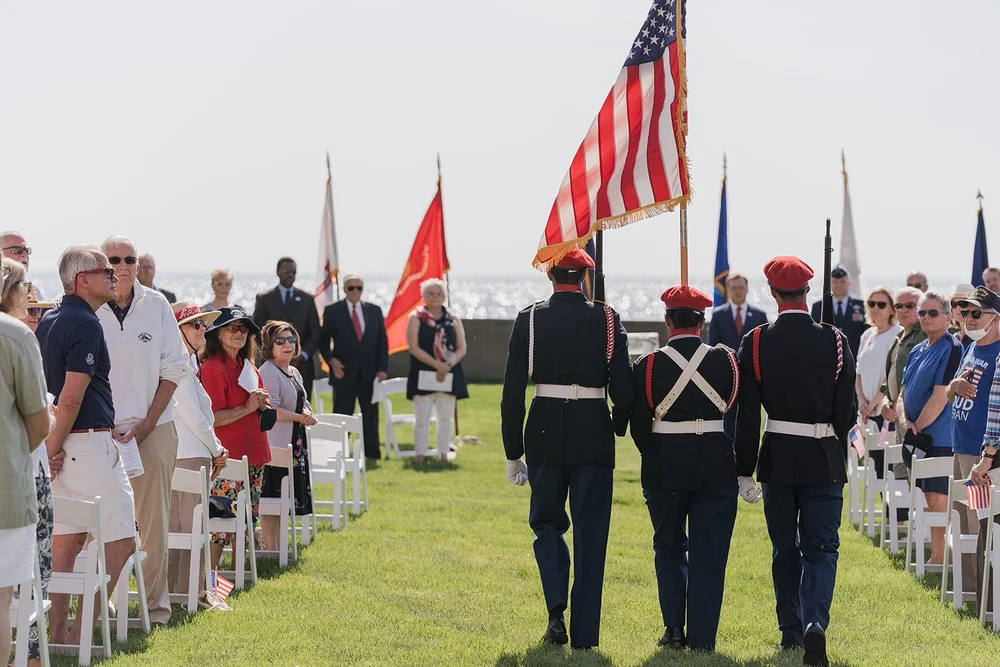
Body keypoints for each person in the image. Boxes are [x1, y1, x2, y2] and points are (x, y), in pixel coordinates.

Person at [500, 249, 632, 651]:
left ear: (550, 275)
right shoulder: (607, 318)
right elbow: (623, 387)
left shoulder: (530, 318)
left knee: (547, 524)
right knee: (591, 533)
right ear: (585, 277)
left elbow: (512, 393)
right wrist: (617, 425)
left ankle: (556, 614)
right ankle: (585, 636)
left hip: (544, 427)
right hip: (593, 428)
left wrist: (512, 452)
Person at [735, 256, 857, 667]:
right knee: (821, 548)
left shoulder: (755, 341)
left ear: (772, 293)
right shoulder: (835, 340)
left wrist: (744, 469)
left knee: (784, 549)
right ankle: (815, 622)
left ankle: (790, 629)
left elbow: (748, 415)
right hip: (823, 458)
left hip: (778, 458)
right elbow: (846, 413)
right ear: (807, 291)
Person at [629, 285, 745, 652]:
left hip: (664, 464)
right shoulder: (726, 361)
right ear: (702, 321)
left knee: (668, 549)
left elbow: (639, 425)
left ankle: (675, 630)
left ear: (667, 321)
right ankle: (703, 640)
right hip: (716, 463)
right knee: (710, 555)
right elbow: (735, 410)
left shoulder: (647, 365)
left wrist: (655, 453)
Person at [36, 245, 137, 646]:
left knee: (67, 541)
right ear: (83, 280)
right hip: (84, 445)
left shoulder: (48, 319)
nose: (115, 275)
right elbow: (71, 398)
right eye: (106, 271)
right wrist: (52, 449)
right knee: (123, 541)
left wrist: (49, 446)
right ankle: (80, 632)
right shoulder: (86, 324)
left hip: (61, 443)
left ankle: (58, 635)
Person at [96, 235, 189, 626]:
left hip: (155, 428)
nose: (121, 266)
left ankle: (156, 609)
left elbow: (175, 368)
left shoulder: (158, 305)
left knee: (154, 524)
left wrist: (147, 423)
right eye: (113, 259)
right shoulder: (89, 307)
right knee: (98, 523)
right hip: (99, 433)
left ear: (138, 265)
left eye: (129, 259)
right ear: (100, 266)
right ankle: (100, 606)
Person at [0, 258, 52, 666]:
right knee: (0, 600)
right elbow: (39, 420)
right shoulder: (16, 335)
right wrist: (16, 453)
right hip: (6, 489)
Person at [167, 304, 229, 609]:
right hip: (190, 454)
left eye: (203, 325)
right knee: (190, 528)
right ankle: (194, 594)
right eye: (195, 325)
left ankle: (180, 593)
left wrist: (214, 448)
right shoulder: (180, 365)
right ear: (178, 330)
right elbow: (195, 417)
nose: (202, 330)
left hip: (186, 453)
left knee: (181, 528)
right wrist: (217, 449)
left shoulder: (186, 364)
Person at [199, 307, 271, 567]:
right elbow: (212, 418)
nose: (239, 333)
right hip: (228, 457)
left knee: (247, 520)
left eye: (243, 329)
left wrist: (263, 404)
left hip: (255, 453)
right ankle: (210, 575)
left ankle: (238, 575)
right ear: (218, 334)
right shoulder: (212, 368)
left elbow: (257, 405)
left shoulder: (248, 366)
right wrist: (248, 408)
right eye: (232, 327)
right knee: (221, 521)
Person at [895, 290, 962, 567]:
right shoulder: (917, 349)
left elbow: (940, 397)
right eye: (922, 312)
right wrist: (905, 423)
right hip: (916, 436)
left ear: (948, 316)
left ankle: (940, 557)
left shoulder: (952, 348)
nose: (926, 317)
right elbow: (901, 394)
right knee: (924, 495)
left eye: (932, 312)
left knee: (937, 496)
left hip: (940, 436)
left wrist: (916, 428)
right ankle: (937, 553)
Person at [947, 287, 1000, 598]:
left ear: (996, 318)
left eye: (976, 313)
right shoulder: (970, 347)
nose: (968, 318)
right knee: (961, 519)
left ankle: (984, 595)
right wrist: (954, 385)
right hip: (960, 444)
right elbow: (948, 395)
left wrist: (988, 453)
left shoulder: (997, 353)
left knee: (979, 521)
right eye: (965, 312)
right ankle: (968, 590)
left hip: (982, 453)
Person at [318, 273, 389, 459]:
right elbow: (322, 340)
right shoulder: (333, 311)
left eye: (359, 288)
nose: (355, 291)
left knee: (370, 416)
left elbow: (382, 342)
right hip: (343, 373)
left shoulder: (374, 311)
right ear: (344, 289)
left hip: (369, 374)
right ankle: (336, 453)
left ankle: (372, 454)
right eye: (351, 288)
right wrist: (331, 360)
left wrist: (383, 368)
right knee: (342, 415)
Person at [259, 321, 316, 549]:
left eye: (291, 340)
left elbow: (303, 401)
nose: (287, 345)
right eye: (280, 341)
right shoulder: (268, 371)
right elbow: (270, 409)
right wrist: (299, 417)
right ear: (269, 345)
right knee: (272, 499)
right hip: (276, 445)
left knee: (286, 500)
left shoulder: (294, 371)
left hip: (294, 443)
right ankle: (271, 549)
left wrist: (307, 413)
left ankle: (279, 548)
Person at [406, 278, 469, 463]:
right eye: (431, 293)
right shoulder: (415, 317)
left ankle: (443, 454)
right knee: (422, 417)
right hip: (423, 373)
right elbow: (413, 347)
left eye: (439, 293)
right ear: (423, 296)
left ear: (444, 296)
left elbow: (461, 348)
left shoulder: (453, 319)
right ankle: (420, 454)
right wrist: (437, 365)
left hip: (449, 373)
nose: (435, 296)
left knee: (445, 417)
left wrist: (447, 365)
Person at [708, 272, 769, 439]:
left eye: (741, 287)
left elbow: (763, 348)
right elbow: (713, 347)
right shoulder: (718, 315)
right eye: (734, 288)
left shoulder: (759, 315)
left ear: (747, 289)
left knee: (750, 420)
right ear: (728, 290)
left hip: (752, 376)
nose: (737, 291)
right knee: (728, 422)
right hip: (726, 378)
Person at [252, 257, 322, 401]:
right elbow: (258, 332)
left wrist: (302, 354)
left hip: (302, 366)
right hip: (273, 365)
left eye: (293, 272)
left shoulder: (307, 299)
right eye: (286, 271)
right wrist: (274, 354)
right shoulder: (265, 299)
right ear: (278, 272)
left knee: (303, 407)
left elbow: (315, 333)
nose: (290, 275)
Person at [854, 287, 902, 479]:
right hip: (867, 412)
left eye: (881, 304)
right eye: (871, 303)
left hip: (885, 412)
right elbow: (858, 372)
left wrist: (873, 403)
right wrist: (861, 401)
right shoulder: (867, 334)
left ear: (891, 309)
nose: (875, 308)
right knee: (875, 471)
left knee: (889, 472)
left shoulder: (897, 333)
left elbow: (891, 374)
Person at [881, 287, 927, 448]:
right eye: (898, 306)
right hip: (899, 415)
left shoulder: (924, 335)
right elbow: (892, 375)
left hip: (915, 417)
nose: (903, 310)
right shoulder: (899, 336)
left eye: (909, 305)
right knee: (899, 463)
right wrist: (886, 401)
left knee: (912, 462)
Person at [810, 265, 869, 358]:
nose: (839, 285)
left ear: (849, 283)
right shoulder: (818, 307)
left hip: (854, 357)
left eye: (842, 281)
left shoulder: (861, 306)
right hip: (827, 357)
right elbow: (813, 334)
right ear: (830, 284)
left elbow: (867, 332)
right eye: (835, 282)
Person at [949, 284, 975, 349]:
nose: (958, 308)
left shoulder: (979, 339)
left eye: (962, 304)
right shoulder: (954, 338)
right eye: (954, 304)